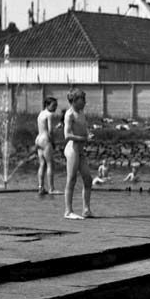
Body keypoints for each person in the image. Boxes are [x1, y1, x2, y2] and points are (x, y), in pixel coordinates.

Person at [62, 88, 94, 220]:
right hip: (72, 149)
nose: (85, 102)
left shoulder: (81, 113)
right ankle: (68, 211)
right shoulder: (69, 115)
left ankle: (86, 209)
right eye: (83, 100)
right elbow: (67, 135)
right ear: (74, 100)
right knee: (72, 179)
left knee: (88, 179)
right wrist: (84, 139)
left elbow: (84, 129)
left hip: (80, 150)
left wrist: (88, 134)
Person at [35, 96, 59, 196]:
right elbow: (50, 130)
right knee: (50, 164)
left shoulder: (41, 114)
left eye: (56, 106)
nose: (55, 108)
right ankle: (51, 188)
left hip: (38, 139)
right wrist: (53, 142)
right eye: (53, 105)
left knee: (42, 164)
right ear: (47, 105)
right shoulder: (49, 115)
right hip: (45, 140)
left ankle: (41, 187)